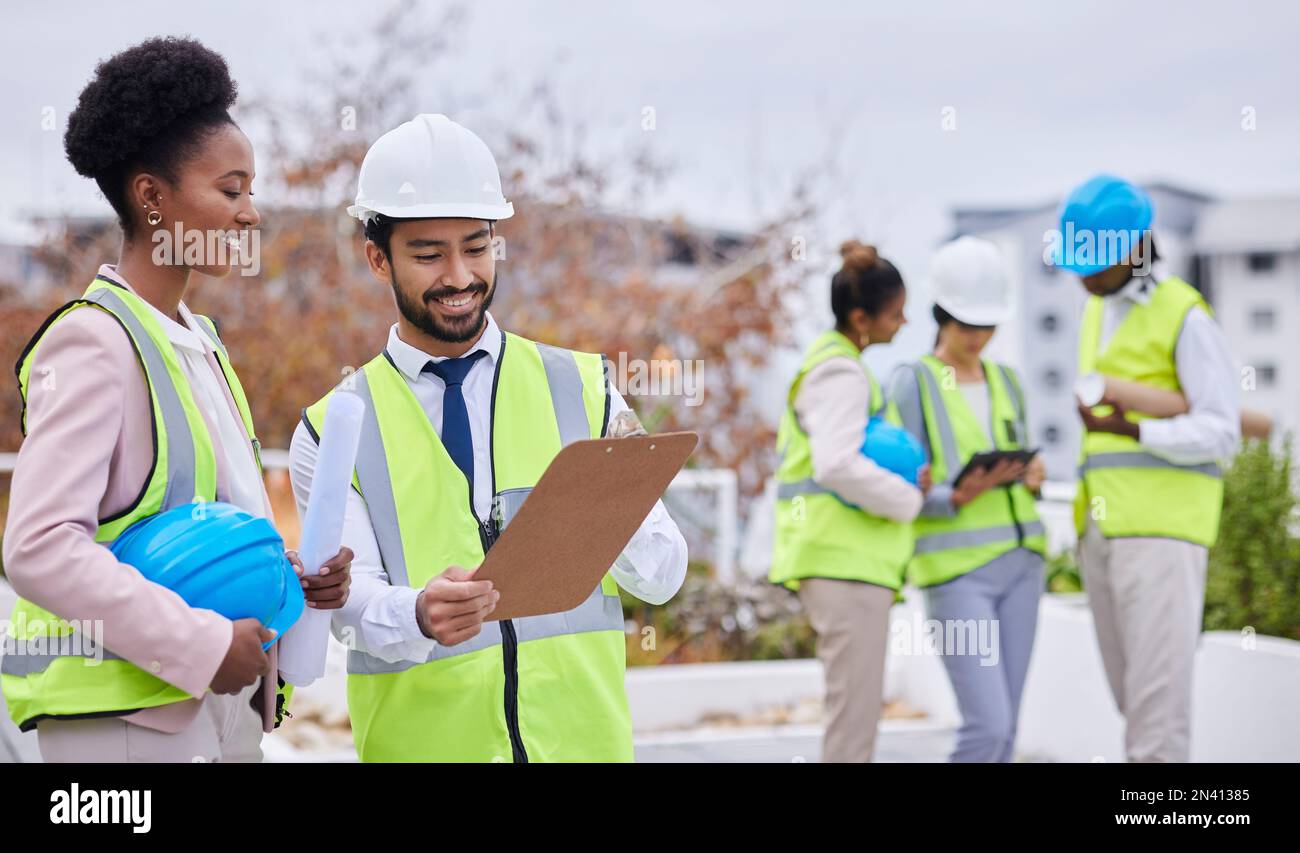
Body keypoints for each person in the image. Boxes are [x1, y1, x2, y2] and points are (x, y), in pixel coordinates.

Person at [288, 114, 689, 762]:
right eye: (428, 254)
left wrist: (610, 507)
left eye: (476, 247)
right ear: (376, 257)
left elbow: (663, 575)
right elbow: (348, 601)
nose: (459, 275)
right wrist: (418, 613)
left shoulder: (585, 387)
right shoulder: (333, 425)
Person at [1, 37, 351, 763]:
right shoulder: (95, 342)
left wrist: (289, 571)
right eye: (230, 190)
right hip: (126, 723)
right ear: (153, 197)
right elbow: (37, 547)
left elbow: (187, 527)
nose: (252, 214)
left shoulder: (200, 343)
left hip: (221, 712)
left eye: (251, 189)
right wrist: (199, 643)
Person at [1056, 175, 1239, 762]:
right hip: (1104, 531)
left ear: (1136, 250)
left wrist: (1135, 429)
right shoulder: (1095, 312)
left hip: (1163, 531)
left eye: (1097, 264)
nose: (1084, 277)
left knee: (1156, 720)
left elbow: (1222, 431)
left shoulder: (1185, 316)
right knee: (1134, 704)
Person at [770, 240, 929, 763]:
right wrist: (908, 499)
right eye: (896, 314)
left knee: (854, 715)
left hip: (847, 563)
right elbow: (835, 464)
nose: (903, 325)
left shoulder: (837, 364)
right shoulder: (840, 371)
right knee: (853, 724)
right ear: (861, 317)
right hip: (845, 564)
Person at [890, 235, 1047, 763]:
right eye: (966, 325)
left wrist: (1033, 477)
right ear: (940, 316)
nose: (978, 337)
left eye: (988, 325)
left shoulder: (1009, 381)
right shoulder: (912, 383)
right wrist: (954, 495)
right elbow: (900, 485)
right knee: (987, 726)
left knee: (1007, 733)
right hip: (957, 574)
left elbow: (1023, 463)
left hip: (1022, 565)